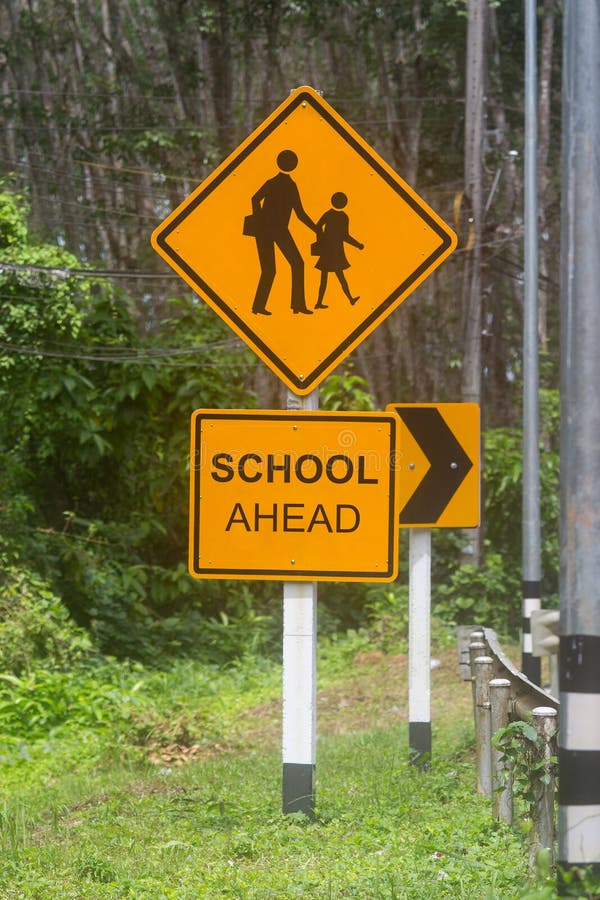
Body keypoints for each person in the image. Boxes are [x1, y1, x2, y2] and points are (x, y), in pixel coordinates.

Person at [247, 149, 315, 316]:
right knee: (289, 266)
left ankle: (290, 305)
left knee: (279, 268)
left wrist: (260, 216)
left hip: (271, 230)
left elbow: (255, 199)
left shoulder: (277, 183)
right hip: (273, 230)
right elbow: (300, 213)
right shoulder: (287, 185)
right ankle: (293, 305)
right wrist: (316, 229)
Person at [313, 192, 364, 309]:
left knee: (327, 278)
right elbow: (345, 236)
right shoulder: (342, 216)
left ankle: (320, 302)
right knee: (338, 277)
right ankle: (348, 299)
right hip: (333, 251)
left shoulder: (335, 215)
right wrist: (358, 245)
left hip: (333, 251)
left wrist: (357, 245)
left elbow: (319, 227)